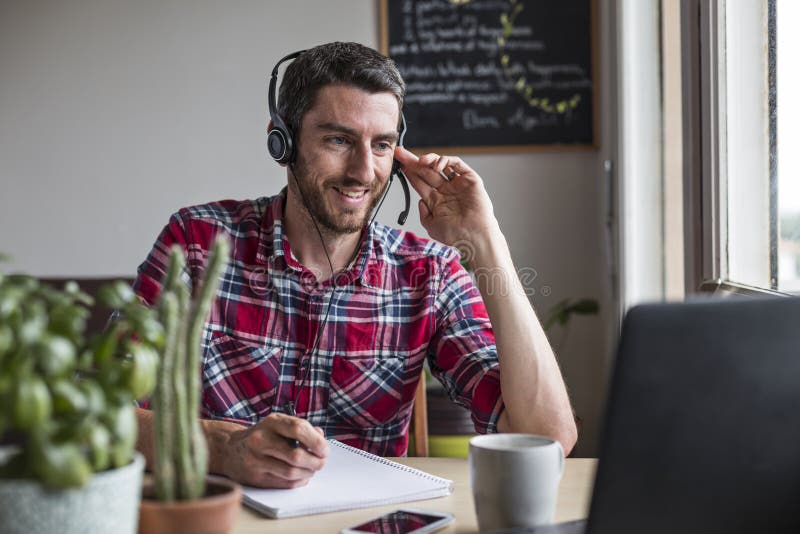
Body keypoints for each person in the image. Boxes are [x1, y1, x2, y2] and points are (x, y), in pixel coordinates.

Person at [133, 42, 577, 489]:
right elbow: (100, 412)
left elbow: (547, 439)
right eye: (339, 140)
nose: (363, 171)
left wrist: (485, 242)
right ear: (282, 140)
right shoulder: (196, 243)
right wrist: (223, 447)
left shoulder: (429, 273)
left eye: (382, 145)